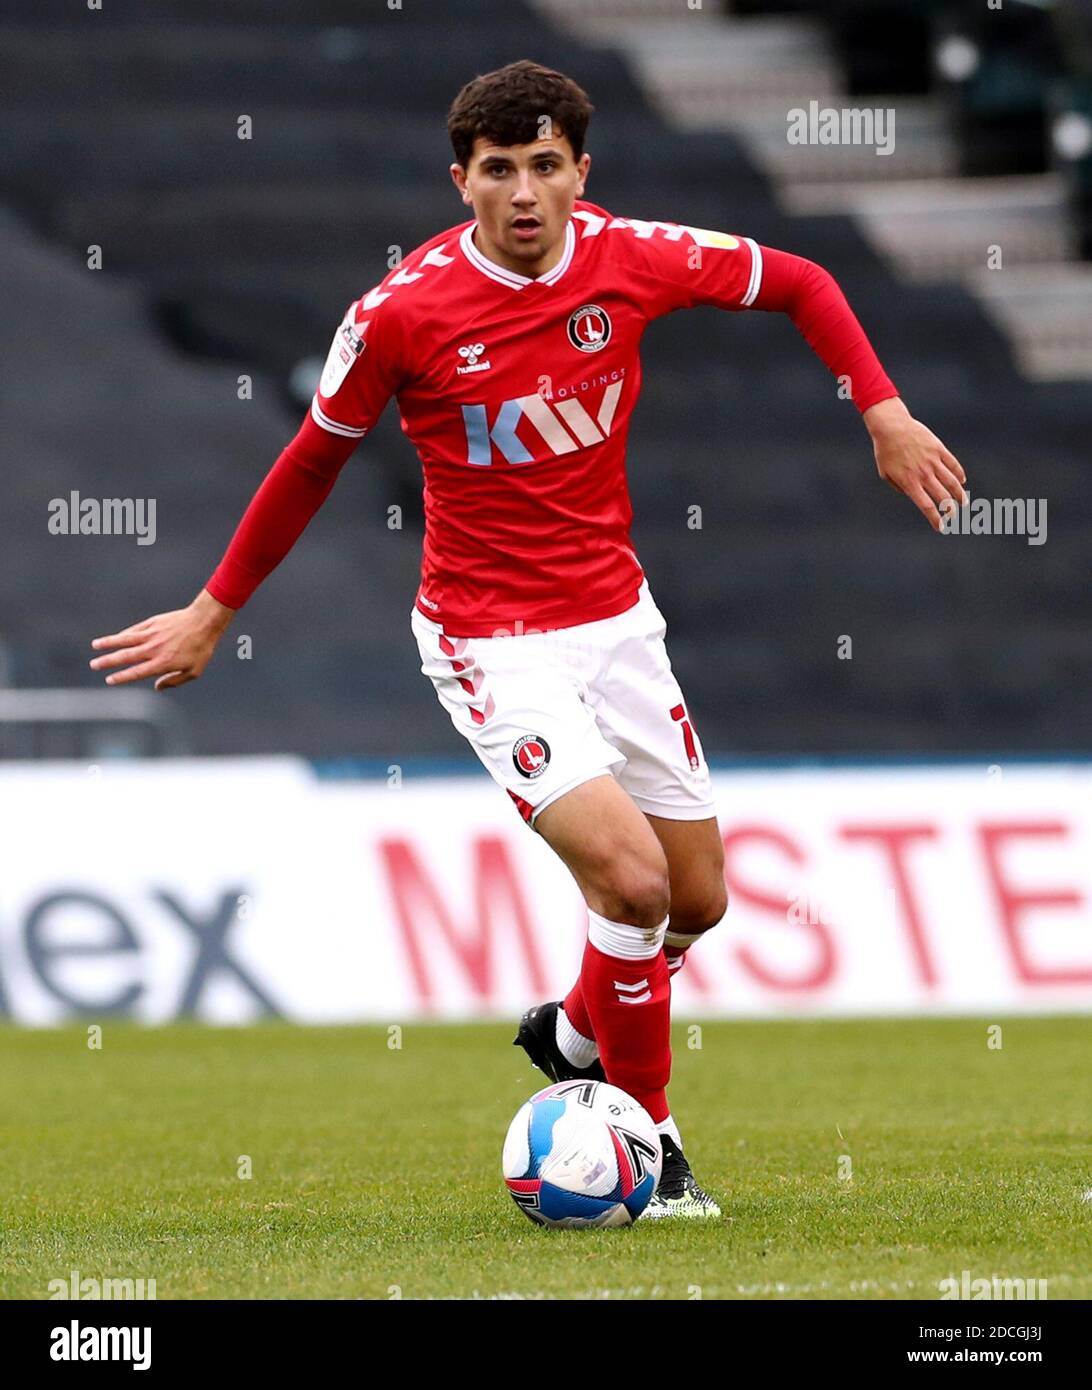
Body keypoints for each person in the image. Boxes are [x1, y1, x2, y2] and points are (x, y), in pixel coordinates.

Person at [90, 60, 965, 1218]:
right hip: (489, 640)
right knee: (632, 876)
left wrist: (883, 409)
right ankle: (651, 1148)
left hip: (616, 621)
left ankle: (572, 1029)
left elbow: (801, 280)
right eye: (498, 170)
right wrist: (215, 608)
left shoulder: (630, 256)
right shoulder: (399, 312)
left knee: (695, 901)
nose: (523, 193)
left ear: (578, 174)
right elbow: (313, 458)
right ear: (462, 181)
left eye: (544, 167)